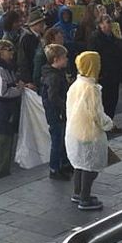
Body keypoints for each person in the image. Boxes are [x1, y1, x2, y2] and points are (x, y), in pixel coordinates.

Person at [66, 51, 113, 211]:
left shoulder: (76, 84)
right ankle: (85, 198)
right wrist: (108, 124)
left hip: (75, 130)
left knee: (80, 164)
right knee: (91, 166)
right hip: (90, 132)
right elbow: (96, 113)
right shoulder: (91, 88)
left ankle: (78, 193)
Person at [0, 39, 24, 179]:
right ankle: (1, 174)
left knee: (7, 143)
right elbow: (3, 92)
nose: (12, 52)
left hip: (7, 114)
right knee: (2, 145)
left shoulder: (7, 68)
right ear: (0, 52)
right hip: (1, 114)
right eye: (9, 50)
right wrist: (20, 90)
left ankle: (5, 172)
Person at [40, 44, 70, 180]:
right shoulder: (54, 77)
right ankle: (54, 168)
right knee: (57, 139)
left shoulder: (54, 73)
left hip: (57, 112)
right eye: (64, 57)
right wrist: (64, 106)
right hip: (55, 113)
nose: (66, 59)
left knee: (61, 137)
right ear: (56, 59)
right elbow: (53, 97)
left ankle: (63, 163)